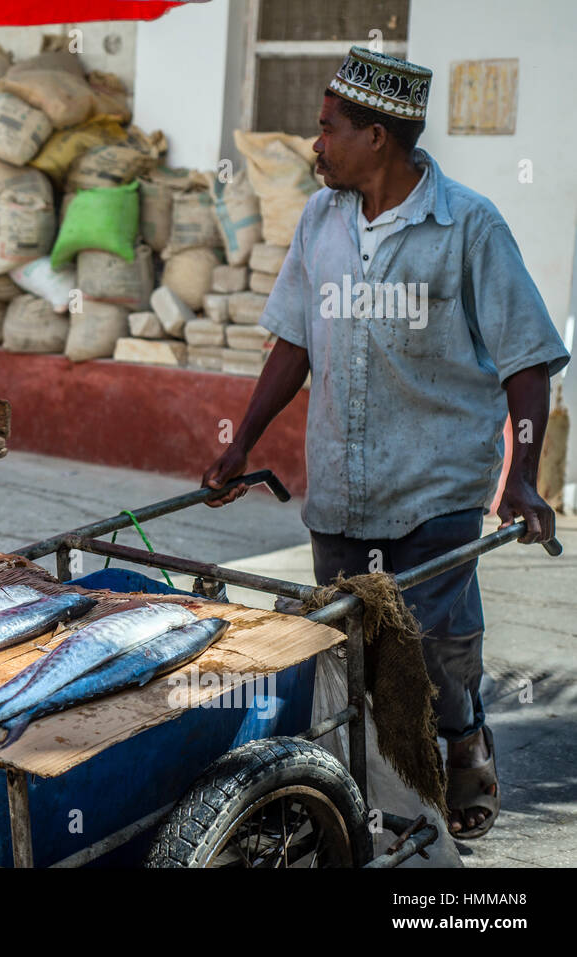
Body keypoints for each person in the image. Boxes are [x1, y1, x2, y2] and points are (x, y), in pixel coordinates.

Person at [201, 48, 569, 841]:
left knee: (435, 651)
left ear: (376, 136)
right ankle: (364, 795)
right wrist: (242, 442)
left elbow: (527, 357)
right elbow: (293, 342)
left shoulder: (468, 225)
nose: (315, 142)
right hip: (341, 483)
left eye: (328, 129)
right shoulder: (318, 220)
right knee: (345, 649)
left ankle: (463, 733)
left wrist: (526, 478)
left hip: (434, 484)